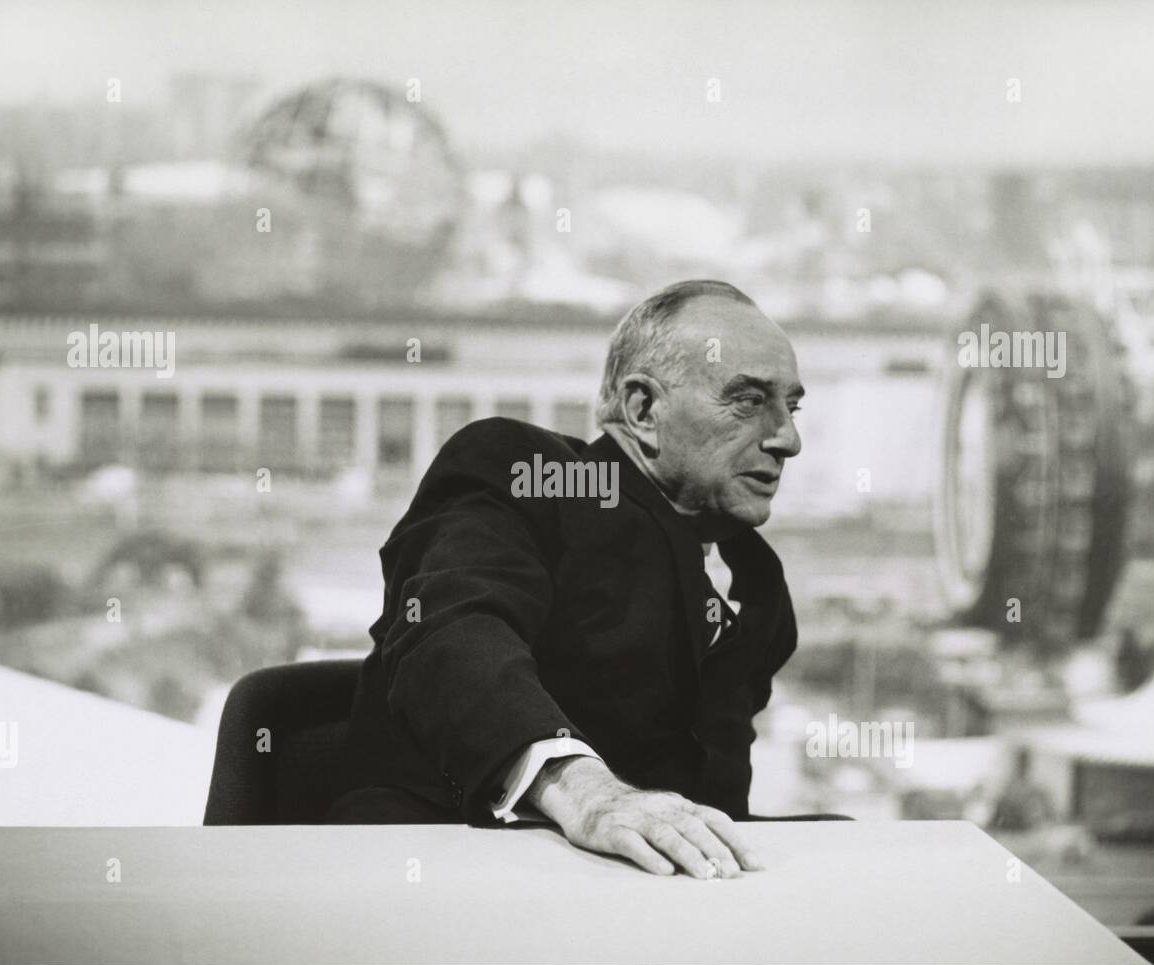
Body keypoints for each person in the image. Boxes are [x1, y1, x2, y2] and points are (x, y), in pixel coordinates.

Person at [326, 279, 839, 877]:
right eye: (750, 401)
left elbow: (713, 812)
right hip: (436, 886)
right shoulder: (530, 474)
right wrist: (587, 794)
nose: (789, 439)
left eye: (791, 406)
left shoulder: (757, 576)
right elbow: (454, 630)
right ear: (643, 409)